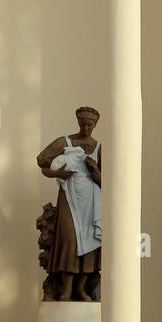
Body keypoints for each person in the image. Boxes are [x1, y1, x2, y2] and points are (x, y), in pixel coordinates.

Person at [37, 106, 101, 302]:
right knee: (69, 241)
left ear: (95, 124)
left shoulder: (99, 147)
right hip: (69, 198)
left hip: (91, 201)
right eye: (83, 124)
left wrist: (95, 171)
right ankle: (66, 289)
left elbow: (106, 180)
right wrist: (59, 173)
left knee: (90, 244)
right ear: (78, 122)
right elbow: (42, 162)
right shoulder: (65, 142)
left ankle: (81, 289)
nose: (86, 128)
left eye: (90, 124)